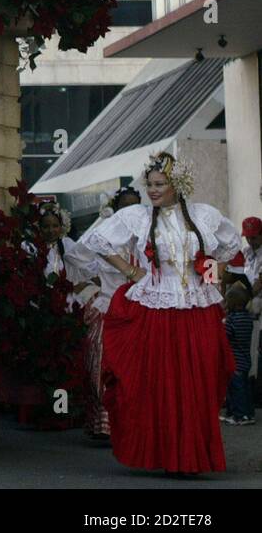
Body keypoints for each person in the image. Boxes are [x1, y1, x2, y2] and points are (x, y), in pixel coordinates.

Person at [73, 152, 241, 475]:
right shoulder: (137, 216)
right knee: (162, 383)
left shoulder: (203, 215)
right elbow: (98, 240)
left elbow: (230, 246)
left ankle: (192, 456)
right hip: (157, 307)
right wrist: (133, 273)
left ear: (176, 184)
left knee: (200, 381)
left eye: (159, 184)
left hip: (198, 307)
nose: (152, 190)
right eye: (149, 184)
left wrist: (209, 270)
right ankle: (169, 456)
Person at [80, 186, 143, 440]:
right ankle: (105, 424)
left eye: (135, 205)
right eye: (125, 206)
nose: (131, 210)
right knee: (103, 367)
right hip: (109, 308)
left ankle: (131, 424)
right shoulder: (103, 236)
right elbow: (78, 256)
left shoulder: (143, 236)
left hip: (138, 310)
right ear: (115, 210)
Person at [222, 283, 256, 426]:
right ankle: (248, 413)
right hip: (245, 359)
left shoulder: (231, 320)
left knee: (236, 390)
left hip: (235, 360)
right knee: (245, 389)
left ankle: (239, 415)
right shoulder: (248, 319)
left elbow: (226, 336)